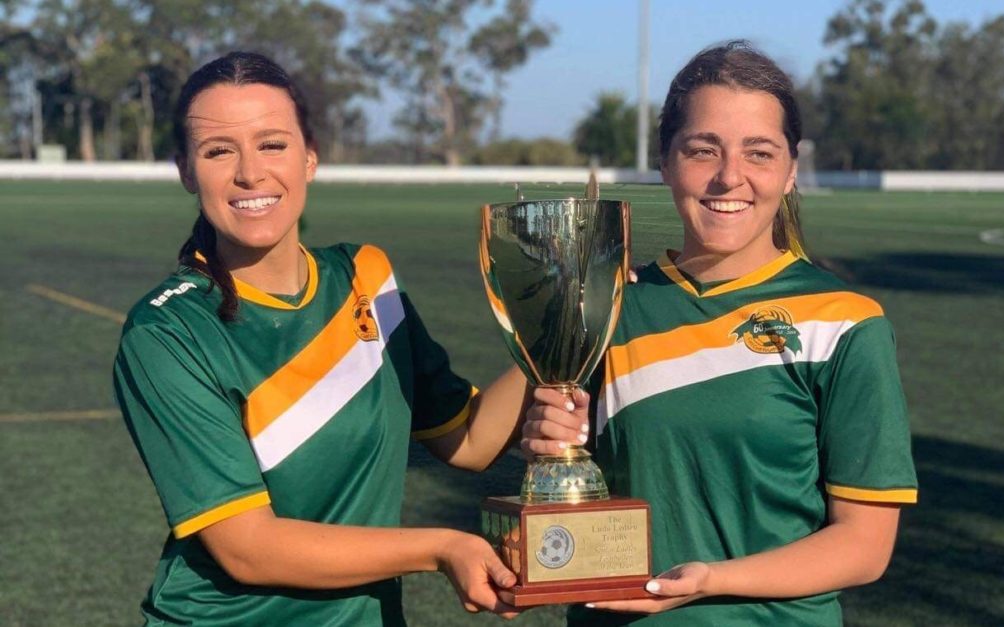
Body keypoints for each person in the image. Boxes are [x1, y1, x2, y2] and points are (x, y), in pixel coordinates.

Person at [112, 51, 529, 626]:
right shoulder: (167, 332)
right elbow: (247, 548)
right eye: (218, 151)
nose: (250, 173)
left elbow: (468, 440)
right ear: (186, 170)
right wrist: (440, 547)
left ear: (309, 158)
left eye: (272, 144)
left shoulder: (367, 276)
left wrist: (567, 330)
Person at [521, 40, 918, 626]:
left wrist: (711, 581)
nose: (730, 177)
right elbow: (479, 446)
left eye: (759, 153)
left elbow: (864, 546)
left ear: (790, 171)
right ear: (666, 162)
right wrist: (549, 422)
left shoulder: (845, 321)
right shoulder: (610, 307)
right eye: (704, 150)